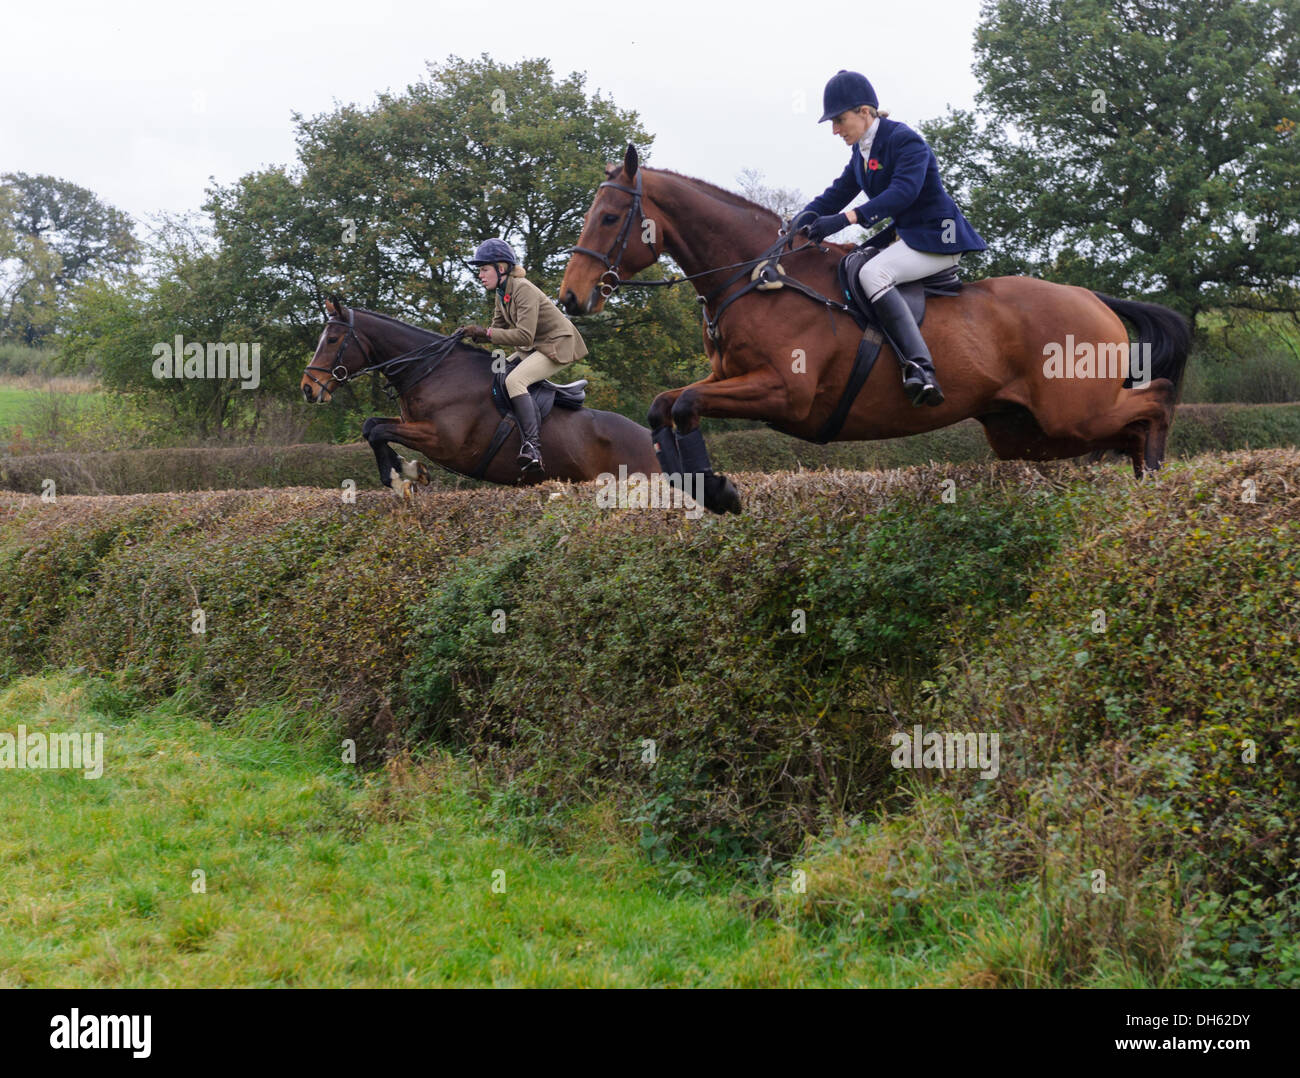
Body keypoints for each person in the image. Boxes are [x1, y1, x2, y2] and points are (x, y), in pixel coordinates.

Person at [792, 70, 987, 406]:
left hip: (939, 236)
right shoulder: (861, 153)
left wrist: (846, 219)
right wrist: (796, 223)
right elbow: (836, 194)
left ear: (865, 112)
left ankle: (921, 368)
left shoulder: (905, 140)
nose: (836, 131)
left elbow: (903, 193)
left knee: (872, 272)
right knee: (848, 261)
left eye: (840, 121)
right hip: (908, 235)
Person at [458, 239, 588, 473]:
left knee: (514, 380)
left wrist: (485, 333)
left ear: (501, 268)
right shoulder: (501, 293)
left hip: (556, 345)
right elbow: (496, 333)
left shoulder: (523, 288)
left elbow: (524, 336)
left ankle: (532, 447)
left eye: (484, 269)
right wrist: (490, 360)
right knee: (497, 374)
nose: (480, 275)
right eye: (479, 270)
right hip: (535, 346)